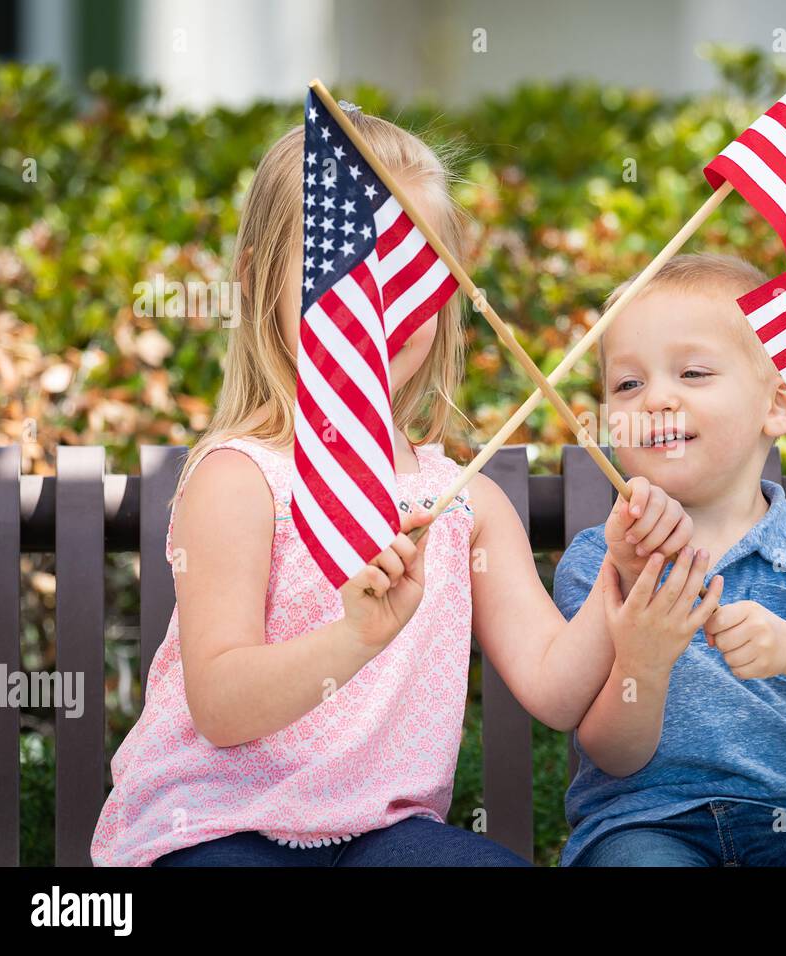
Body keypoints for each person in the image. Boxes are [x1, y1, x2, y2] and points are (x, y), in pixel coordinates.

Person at [90, 112, 692, 866]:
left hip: (387, 835)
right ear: (257, 283)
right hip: (216, 826)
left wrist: (623, 576)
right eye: (346, 265)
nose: (380, 297)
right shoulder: (241, 478)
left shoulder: (465, 502)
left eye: (415, 268)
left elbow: (555, 687)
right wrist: (352, 640)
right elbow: (219, 707)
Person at [552, 253, 786, 867]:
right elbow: (611, 755)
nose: (657, 399)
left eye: (693, 373)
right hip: (646, 830)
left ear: (777, 406)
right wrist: (642, 665)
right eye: (627, 384)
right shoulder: (604, 562)